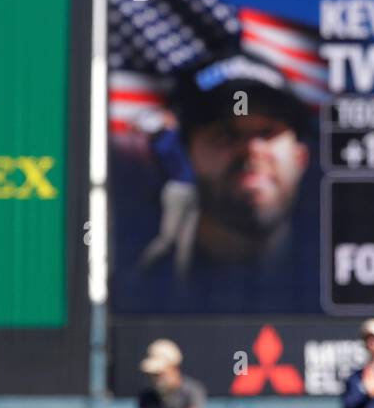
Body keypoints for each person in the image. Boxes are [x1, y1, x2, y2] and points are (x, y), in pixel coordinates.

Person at [122, 52, 315, 313]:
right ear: (189, 151)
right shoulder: (141, 288)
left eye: (267, 133)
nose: (251, 150)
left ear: (301, 156)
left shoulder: (336, 271)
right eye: (227, 135)